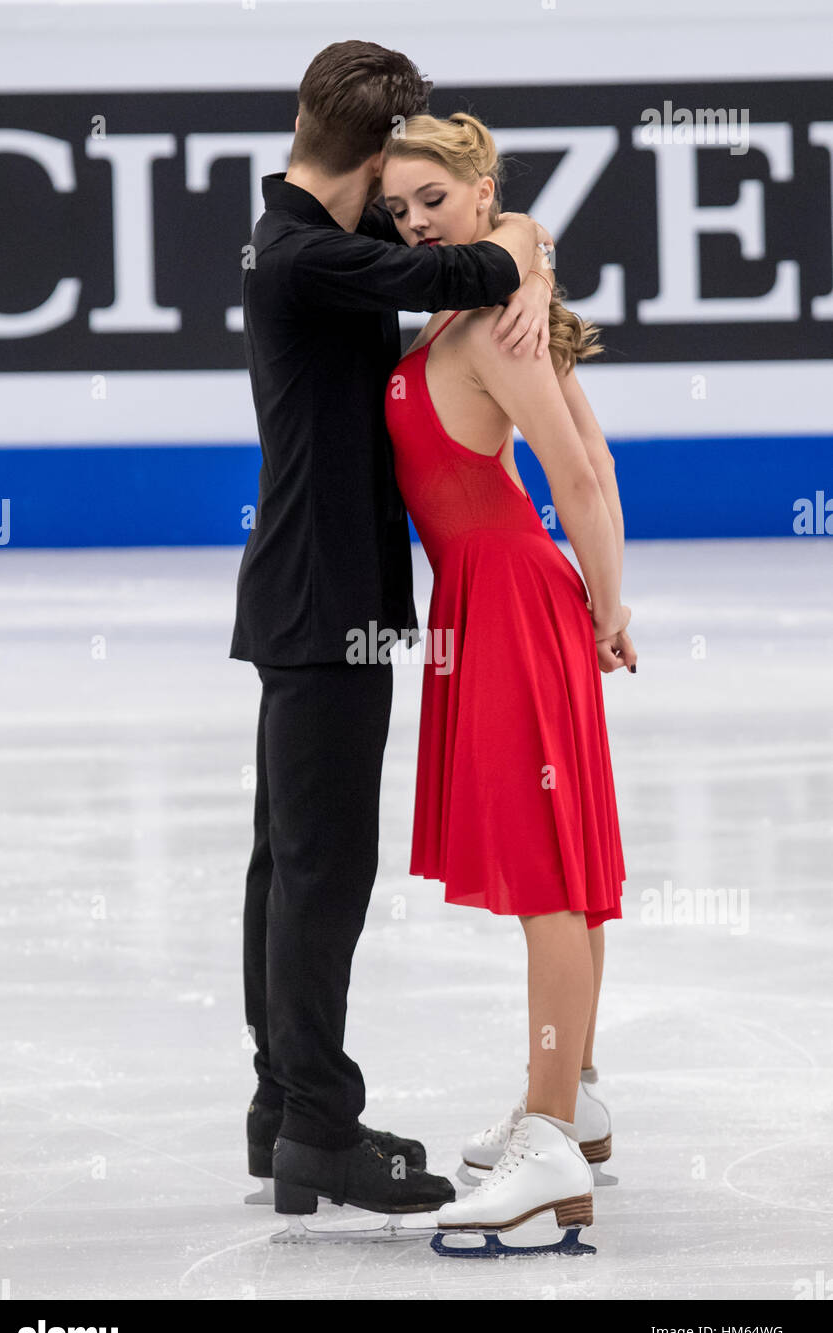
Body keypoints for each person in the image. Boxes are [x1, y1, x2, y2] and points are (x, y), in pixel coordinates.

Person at [229, 41, 554, 1224]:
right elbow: (470, 266)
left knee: (287, 862)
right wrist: (524, 240)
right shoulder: (314, 255)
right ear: (368, 158)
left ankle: (282, 1110)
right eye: (393, 173)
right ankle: (315, 1123)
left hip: (305, 595)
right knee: (319, 869)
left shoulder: (299, 233)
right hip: (325, 604)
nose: (396, 202)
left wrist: (506, 252)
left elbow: (447, 263)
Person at [381, 111, 636, 1250]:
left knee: (548, 874)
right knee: (556, 863)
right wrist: (525, 244)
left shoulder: (490, 325)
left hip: (512, 602)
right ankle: (569, 1099)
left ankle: (545, 1133)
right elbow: (592, 448)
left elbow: (580, 468)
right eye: (396, 209)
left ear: (481, 194)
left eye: (432, 199)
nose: (414, 222)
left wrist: (605, 601)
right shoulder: (473, 300)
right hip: (483, 606)